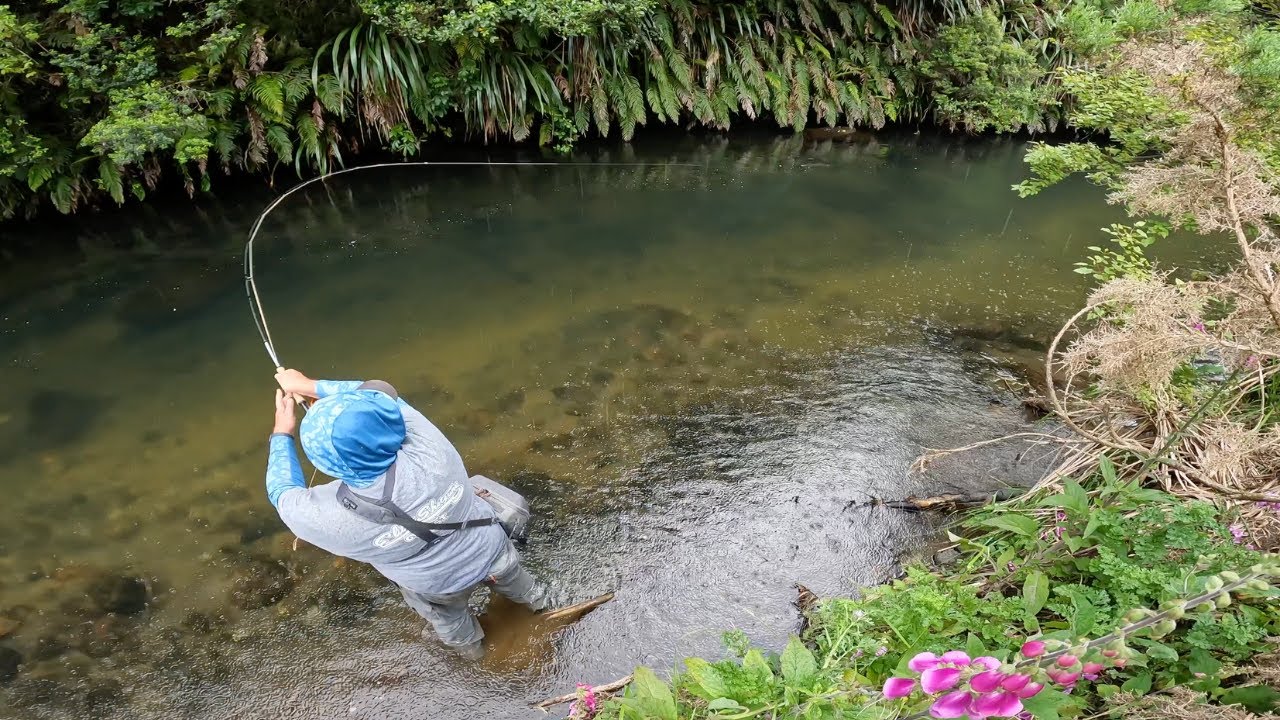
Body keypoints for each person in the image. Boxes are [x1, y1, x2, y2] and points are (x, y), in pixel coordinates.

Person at [265, 368, 550, 658]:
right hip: (491, 550)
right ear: (387, 423)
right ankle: (544, 609)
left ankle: (477, 657)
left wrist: (282, 433)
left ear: (324, 464)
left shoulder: (330, 519)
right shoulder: (429, 445)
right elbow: (379, 394)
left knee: (453, 626)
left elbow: (282, 492)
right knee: (521, 584)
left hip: (435, 588)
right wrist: (309, 385)